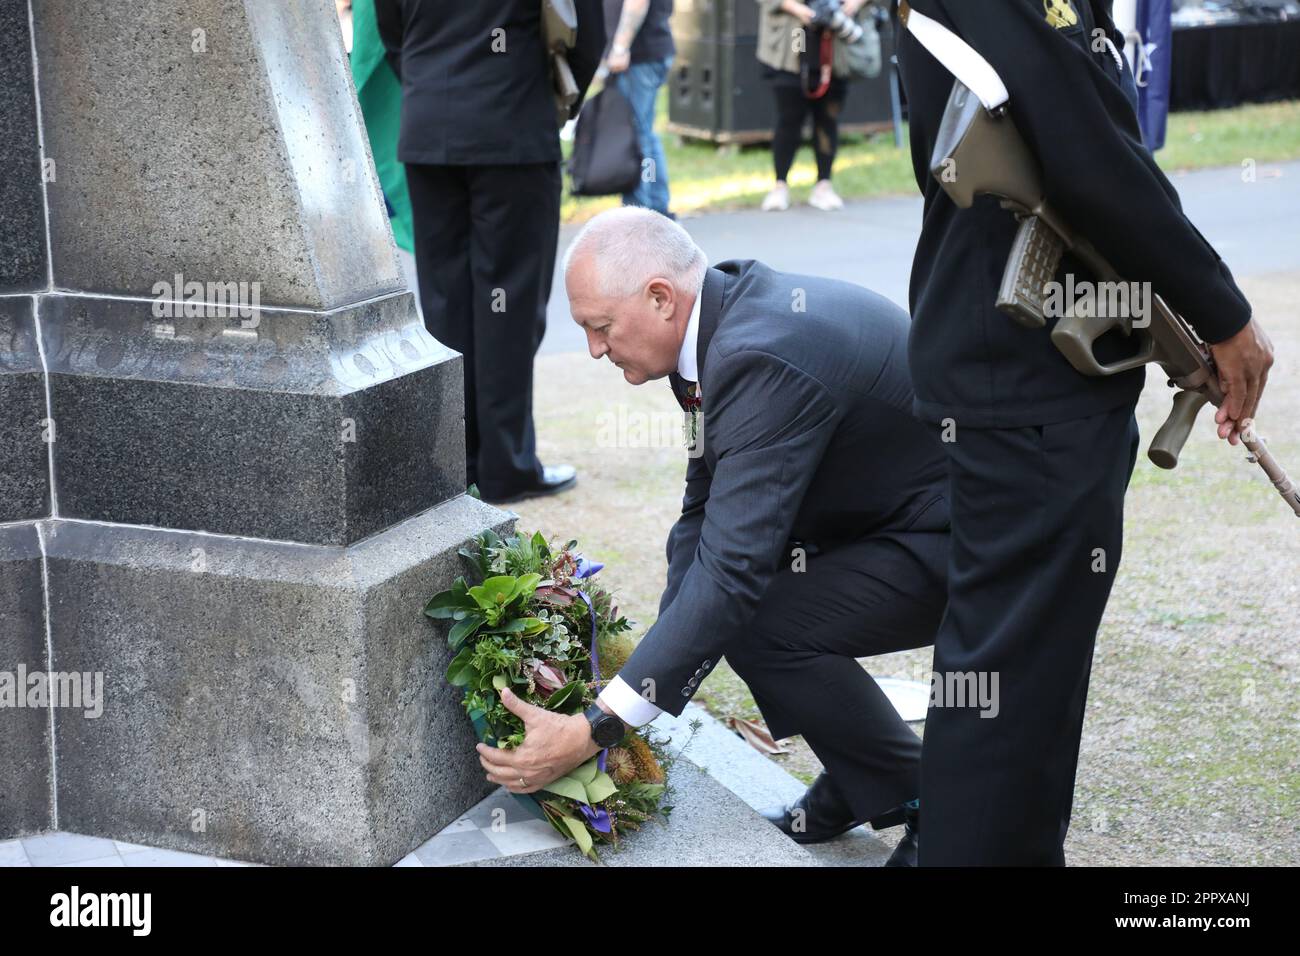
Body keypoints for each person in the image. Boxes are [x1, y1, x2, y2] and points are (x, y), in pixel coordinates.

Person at [893, 0, 1275, 865]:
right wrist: (1220, 311)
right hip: (1023, 373)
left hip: (1025, 365)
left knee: (1025, 681)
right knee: (1010, 690)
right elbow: (1087, 148)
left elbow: (1087, 136)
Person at [471, 207, 953, 866]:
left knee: (754, 618)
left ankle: (931, 804)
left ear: (661, 298)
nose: (592, 349)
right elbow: (701, 510)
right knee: (737, 613)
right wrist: (650, 664)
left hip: (965, 541)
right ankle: (870, 776)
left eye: (600, 327)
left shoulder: (758, 354)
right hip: (886, 520)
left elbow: (730, 576)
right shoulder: (713, 329)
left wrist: (597, 727)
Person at [374, 0, 605, 504]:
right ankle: (506, 466)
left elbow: (390, 33)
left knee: (446, 302)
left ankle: (456, 463)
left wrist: (429, 83)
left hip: (429, 126)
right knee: (510, 306)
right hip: (513, 125)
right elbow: (589, 35)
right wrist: (556, 100)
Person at [755, 0, 874, 211]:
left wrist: (854, 3)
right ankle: (780, 185)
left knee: (828, 118)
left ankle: (824, 185)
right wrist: (793, 7)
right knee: (788, 117)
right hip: (792, 39)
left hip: (835, 43)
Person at [603, 0, 676, 216]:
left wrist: (619, 47)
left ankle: (637, 212)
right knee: (646, 136)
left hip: (638, 56)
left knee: (638, 138)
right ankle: (657, 207)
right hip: (644, 54)